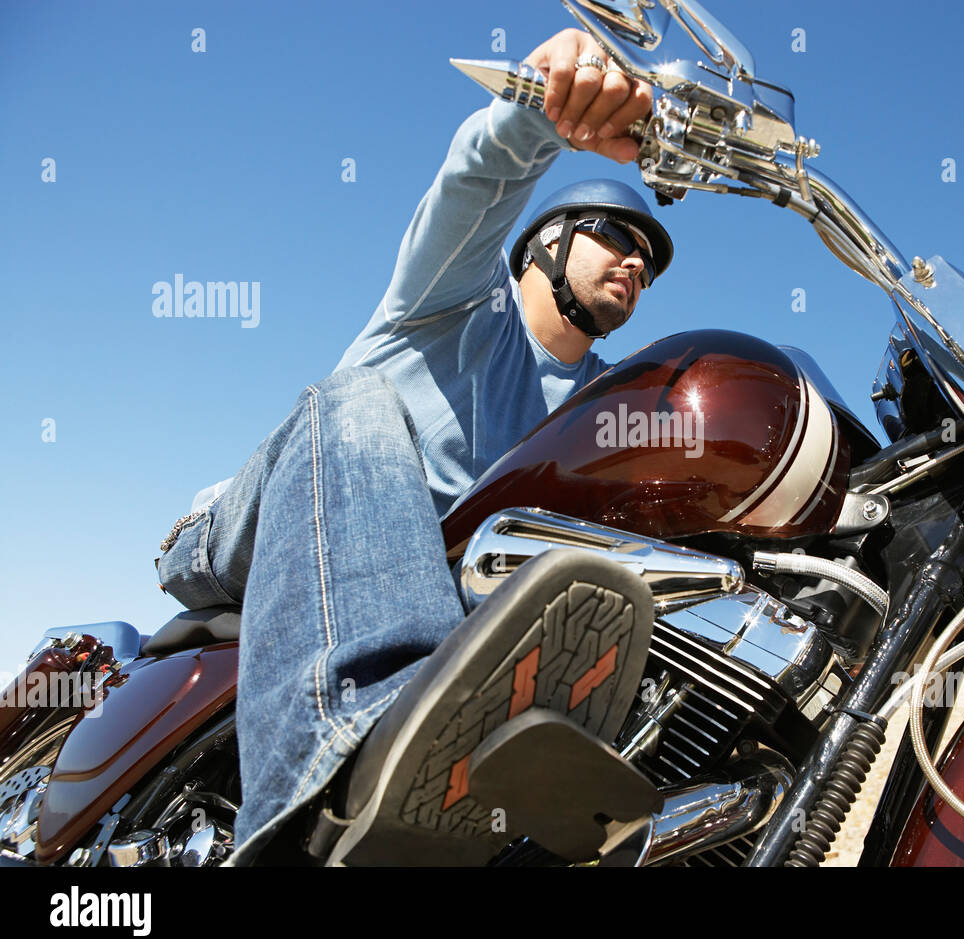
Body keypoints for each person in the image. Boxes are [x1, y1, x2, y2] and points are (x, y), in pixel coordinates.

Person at [153, 27, 674, 866]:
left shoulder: (600, 408)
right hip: (245, 529)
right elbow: (475, 185)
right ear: (546, 242)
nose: (634, 264)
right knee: (357, 402)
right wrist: (546, 112)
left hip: (425, 587)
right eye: (614, 235)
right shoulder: (458, 299)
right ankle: (350, 764)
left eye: (647, 261)